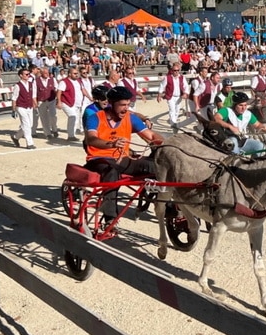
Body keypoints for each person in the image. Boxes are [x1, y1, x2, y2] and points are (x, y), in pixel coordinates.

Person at [84, 86, 163, 222]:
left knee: (158, 166)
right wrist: (111, 144)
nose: (126, 108)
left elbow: (150, 135)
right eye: (122, 105)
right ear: (111, 103)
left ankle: (168, 205)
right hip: (99, 160)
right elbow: (91, 139)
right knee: (112, 172)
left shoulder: (130, 118)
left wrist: (167, 143)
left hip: (123, 159)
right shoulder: (95, 118)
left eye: (128, 104)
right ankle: (110, 217)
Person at [156, 62, 188, 133]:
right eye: (174, 70)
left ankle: (174, 123)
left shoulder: (182, 78)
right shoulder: (167, 78)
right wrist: (159, 95)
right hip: (170, 96)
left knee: (177, 110)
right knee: (172, 109)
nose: (176, 72)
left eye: (177, 70)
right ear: (172, 71)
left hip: (179, 96)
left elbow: (186, 86)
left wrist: (185, 93)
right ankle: (173, 123)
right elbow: (162, 86)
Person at [10, 68, 38, 149]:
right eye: (26, 74)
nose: (28, 75)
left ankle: (15, 137)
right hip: (21, 106)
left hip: (29, 106)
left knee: (30, 125)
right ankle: (29, 143)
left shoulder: (31, 84)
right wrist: (13, 110)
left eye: (28, 74)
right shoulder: (17, 86)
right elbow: (14, 98)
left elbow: (33, 96)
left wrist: (35, 104)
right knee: (26, 124)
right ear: (21, 76)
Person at [57, 67, 85, 141]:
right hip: (67, 102)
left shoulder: (79, 81)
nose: (77, 75)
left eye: (77, 73)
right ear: (69, 74)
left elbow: (83, 90)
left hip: (77, 103)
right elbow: (59, 91)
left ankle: (72, 134)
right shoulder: (64, 82)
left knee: (75, 119)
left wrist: (89, 97)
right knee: (73, 117)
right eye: (75, 73)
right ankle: (71, 135)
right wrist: (59, 102)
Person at [34, 67, 58, 139]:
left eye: (47, 73)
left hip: (51, 100)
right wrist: (35, 102)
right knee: (44, 118)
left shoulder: (52, 79)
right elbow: (34, 92)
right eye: (45, 73)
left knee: (53, 115)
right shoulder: (36, 81)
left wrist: (57, 98)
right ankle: (48, 133)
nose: (46, 74)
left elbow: (56, 89)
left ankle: (54, 129)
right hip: (41, 101)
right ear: (41, 73)